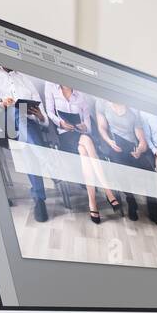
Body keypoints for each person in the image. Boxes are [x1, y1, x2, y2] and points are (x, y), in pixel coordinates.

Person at [43, 81, 119, 225]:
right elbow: (50, 112)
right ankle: (108, 192)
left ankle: (93, 204)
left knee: (84, 149)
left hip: (81, 134)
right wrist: (61, 123)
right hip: (64, 135)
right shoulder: (51, 86)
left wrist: (83, 126)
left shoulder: (81, 92)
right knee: (85, 148)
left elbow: (87, 123)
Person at [0, 65, 50, 222]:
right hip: (7, 125)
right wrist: (3, 104)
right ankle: (48, 161)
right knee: (16, 110)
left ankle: (39, 200)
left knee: (26, 145)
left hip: (29, 127)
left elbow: (43, 118)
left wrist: (40, 116)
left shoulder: (24, 78)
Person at [94, 99, 147, 221]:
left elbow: (141, 138)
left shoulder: (133, 108)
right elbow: (101, 127)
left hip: (133, 147)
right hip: (114, 145)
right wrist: (109, 141)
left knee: (149, 168)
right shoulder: (101, 103)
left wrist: (140, 149)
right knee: (120, 168)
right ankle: (130, 199)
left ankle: (154, 213)